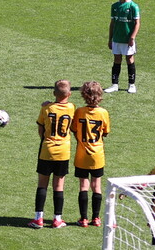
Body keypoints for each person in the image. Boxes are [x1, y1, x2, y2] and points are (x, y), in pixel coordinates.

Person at [31, 79, 75, 229]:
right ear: (69, 94)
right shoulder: (72, 108)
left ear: (54, 93)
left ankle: (38, 218)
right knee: (59, 185)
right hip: (63, 152)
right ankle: (57, 219)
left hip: (47, 150)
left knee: (42, 184)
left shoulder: (46, 108)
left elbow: (40, 129)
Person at [71, 81, 111, 228]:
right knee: (97, 186)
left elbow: (74, 129)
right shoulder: (103, 112)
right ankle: (96, 218)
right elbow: (105, 132)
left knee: (83, 186)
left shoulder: (79, 111)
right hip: (97, 155)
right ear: (100, 95)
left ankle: (83, 219)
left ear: (83, 94)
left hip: (81, 154)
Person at [109, 0, 140, 93]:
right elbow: (112, 23)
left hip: (128, 39)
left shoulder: (133, 6)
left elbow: (137, 23)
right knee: (117, 59)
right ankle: (114, 84)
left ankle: (131, 85)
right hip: (117, 38)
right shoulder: (115, 6)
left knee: (129, 59)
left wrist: (132, 37)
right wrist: (110, 39)